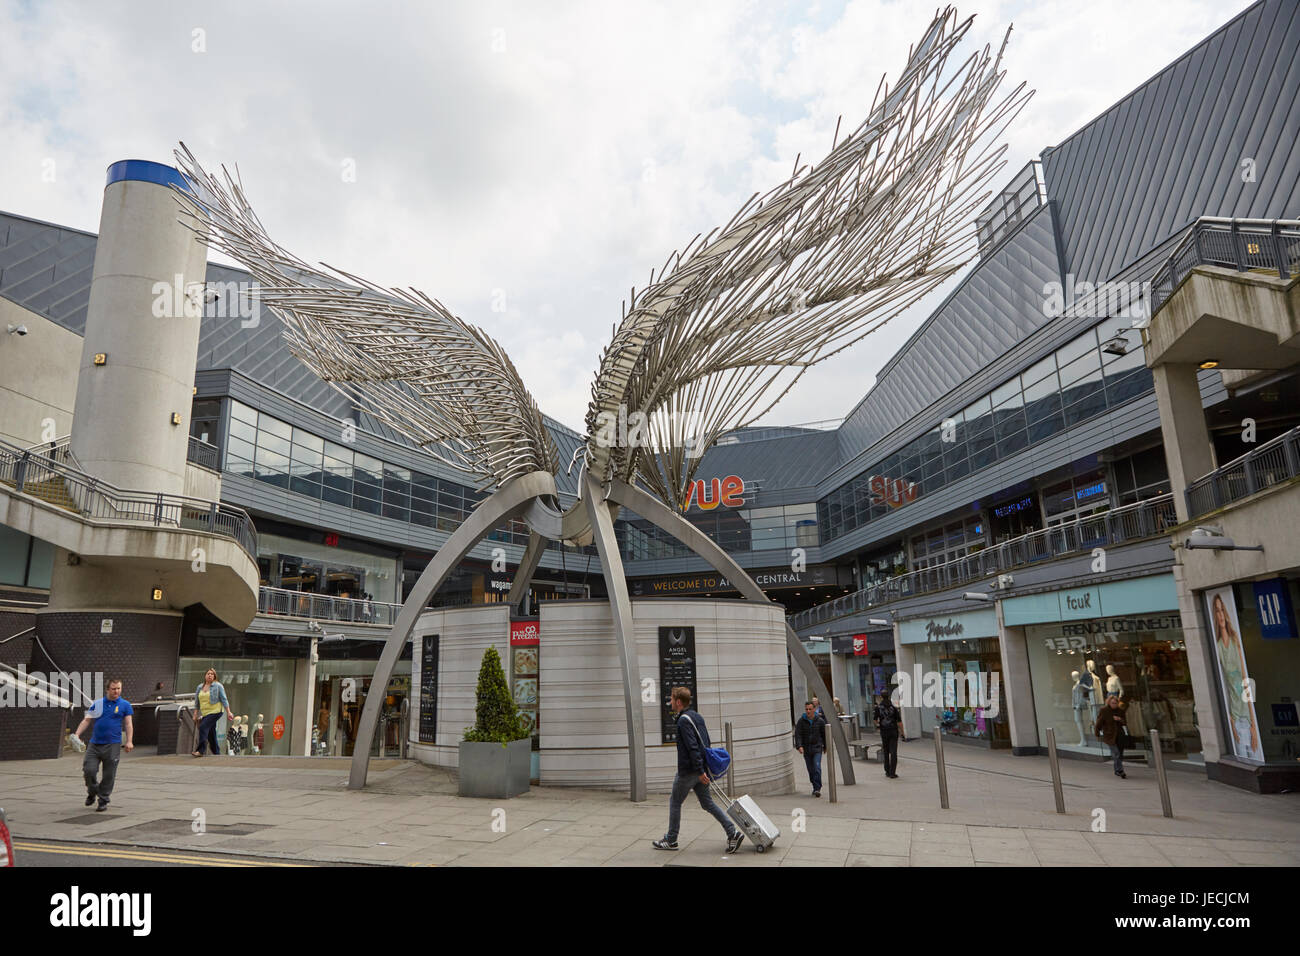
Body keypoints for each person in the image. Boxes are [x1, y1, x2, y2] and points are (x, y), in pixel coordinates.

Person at [653, 686, 743, 853]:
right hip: (700, 769)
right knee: (707, 803)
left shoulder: (682, 721)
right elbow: (706, 742)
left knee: (675, 801)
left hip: (689, 771)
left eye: (672, 700)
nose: (670, 702)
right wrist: (703, 770)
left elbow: (693, 747)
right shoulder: (696, 716)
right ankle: (733, 832)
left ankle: (671, 840)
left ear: (679, 702)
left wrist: (700, 771)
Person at [1210, 593, 1262, 760]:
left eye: (1222, 610)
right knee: (1243, 760)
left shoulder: (1235, 640)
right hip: (1235, 717)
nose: (1221, 615)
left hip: (1247, 716)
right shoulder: (1217, 646)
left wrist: (1253, 724)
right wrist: (1230, 721)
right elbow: (1222, 685)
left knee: (1254, 759)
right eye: (1217, 611)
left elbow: (1247, 680)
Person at [72, 678, 134, 811]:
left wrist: (129, 741)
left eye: (118, 688)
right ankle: (92, 791)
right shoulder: (98, 704)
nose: (116, 691)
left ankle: (103, 800)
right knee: (89, 771)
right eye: (113, 689)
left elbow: (128, 724)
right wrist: (77, 734)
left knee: (109, 774)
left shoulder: (125, 705)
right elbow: (87, 720)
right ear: (107, 689)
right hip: (94, 744)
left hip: (113, 744)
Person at [192, 667, 234, 758]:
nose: (210, 675)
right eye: (208, 674)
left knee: (203, 726)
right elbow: (197, 702)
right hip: (205, 713)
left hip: (216, 711)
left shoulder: (218, 686)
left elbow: (224, 699)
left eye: (212, 674)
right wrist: (195, 714)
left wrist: (229, 712)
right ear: (205, 675)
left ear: (214, 676)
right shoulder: (200, 687)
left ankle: (200, 750)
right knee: (211, 733)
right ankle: (217, 753)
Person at [794, 700, 827, 797]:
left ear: (814, 709)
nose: (808, 711)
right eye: (806, 709)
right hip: (806, 749)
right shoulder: (801, 721)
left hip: (817, 748)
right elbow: (798, 734)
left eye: (810, 709)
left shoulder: (820, 721)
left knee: (817, 767)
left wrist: (826, 746)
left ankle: (817, 788)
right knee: (811, 769)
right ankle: (814, 784)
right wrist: (799, 746)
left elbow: (824, 734)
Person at [1094, 693, 1129, 778]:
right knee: (1116, 753)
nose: (1114, 705)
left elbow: (1125, 722)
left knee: (1120, 753)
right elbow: (1099, 723)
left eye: (1116, 703)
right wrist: (1097, 733)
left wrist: (1119, 719)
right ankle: (1120, 770)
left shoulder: (1120, 711)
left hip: (1120, 734)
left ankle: (1117, 770)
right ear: (1109, 702)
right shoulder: (1104, 710)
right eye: (1113, 703)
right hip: (1109, 735)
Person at [873, 690, 904, 779]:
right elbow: (899, 721)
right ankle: (892, 772)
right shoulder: (893, 708)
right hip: (893, 731)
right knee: (894, 752)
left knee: (886, 751)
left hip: (884, 732)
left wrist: (879, 725)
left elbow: (875, 720)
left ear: (881, 697)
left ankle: (887, 770)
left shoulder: (878, 708)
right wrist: (902, 733)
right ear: (888, 696)